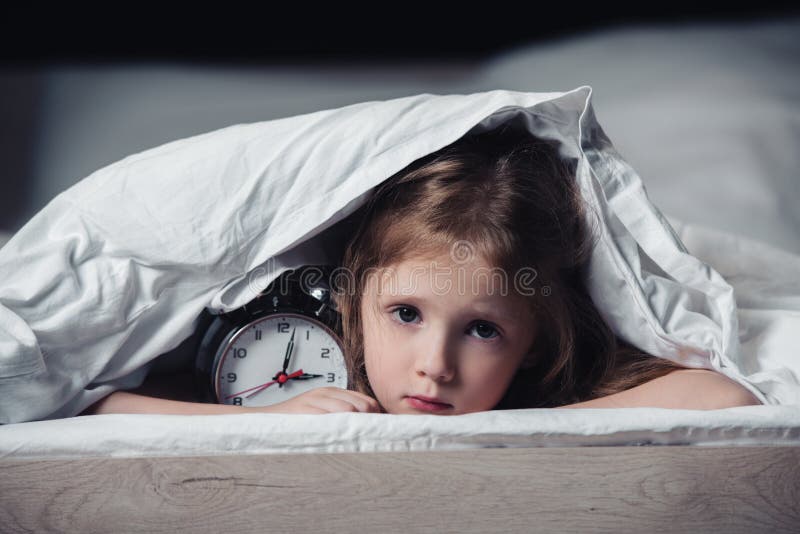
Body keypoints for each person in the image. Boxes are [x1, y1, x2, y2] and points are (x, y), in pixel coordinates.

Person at [83, 126, 761, 416]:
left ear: (534, 345)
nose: (434, 364)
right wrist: (275, 419)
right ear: (353, 303)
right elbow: (106, 405)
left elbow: (722, 396)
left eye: (484, 330)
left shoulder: (540, 393)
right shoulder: (299, 367)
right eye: (405, 314)